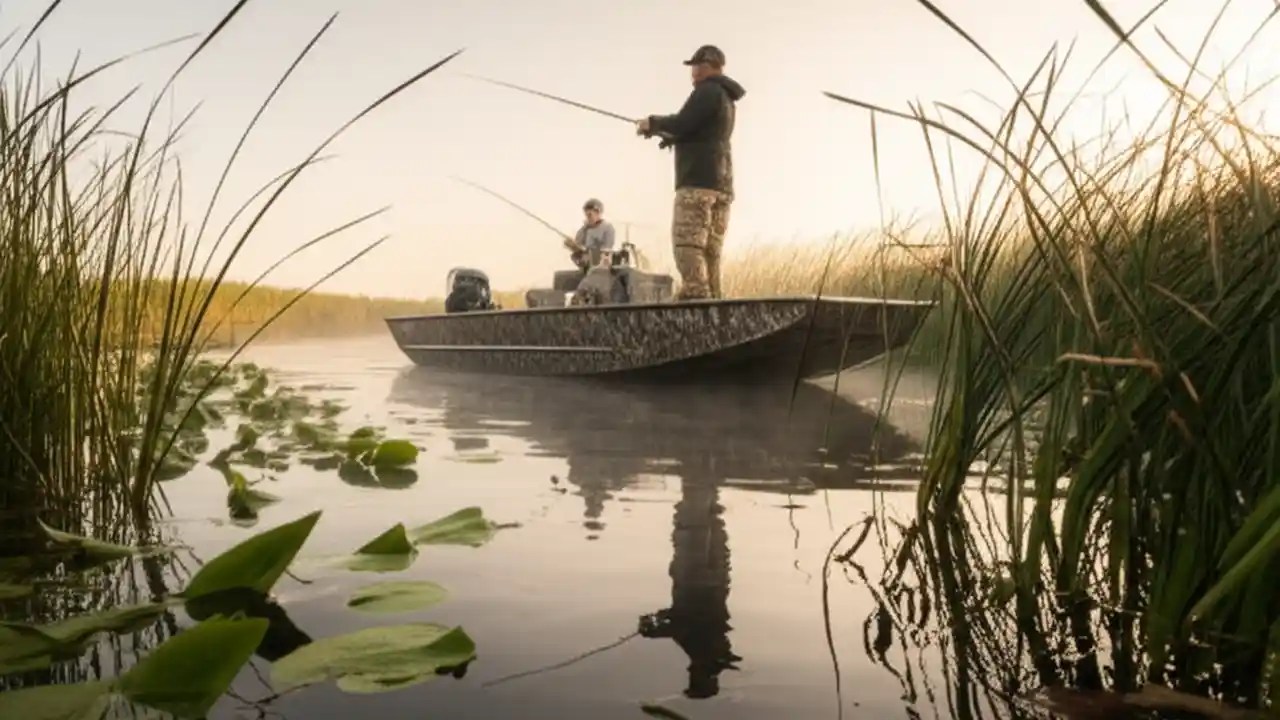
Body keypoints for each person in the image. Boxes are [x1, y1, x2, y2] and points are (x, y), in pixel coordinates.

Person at [636, 45, 745, 300]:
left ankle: (697, 298)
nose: (692, 72)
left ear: (707, 66)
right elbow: (700, 131)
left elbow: (683, 122)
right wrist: (671, 138)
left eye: (695, 66)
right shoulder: (726, 98)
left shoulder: (707, 91)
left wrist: (652, 123)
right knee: (710, 250)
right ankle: (714, 302)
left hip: (697, 183)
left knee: (687, 244)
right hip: (722, 185)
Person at [573, 198, 616, 268]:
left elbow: (607, 249)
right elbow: (578, 248)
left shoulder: (607, 228)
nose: (588, 217)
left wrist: (590, 255)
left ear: (598, 213)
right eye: (587, 215)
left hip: (602, 266)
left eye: (590, 214)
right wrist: (573, 247)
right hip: (585, 266)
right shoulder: (583, 231)